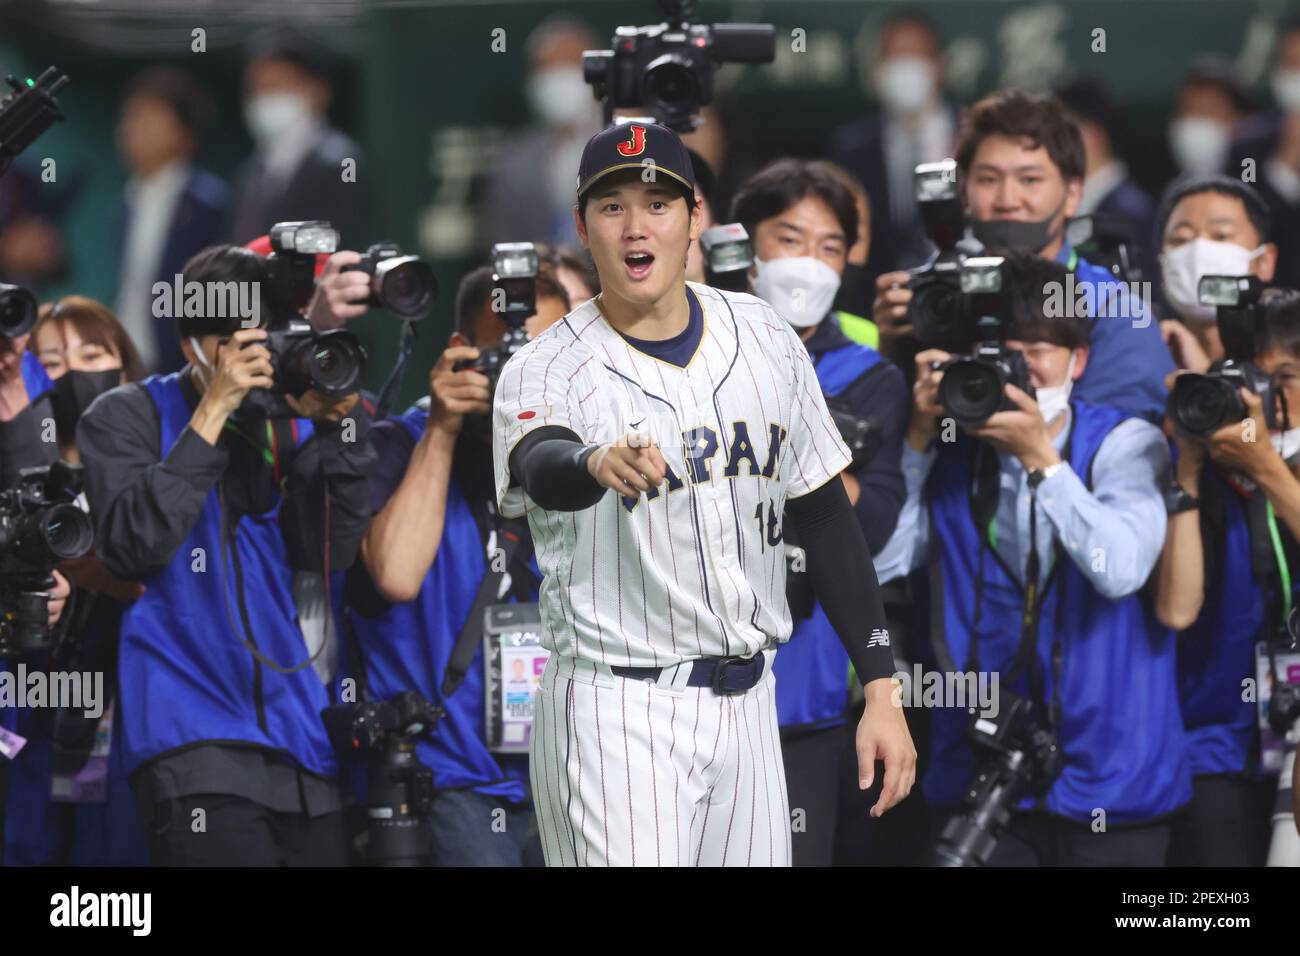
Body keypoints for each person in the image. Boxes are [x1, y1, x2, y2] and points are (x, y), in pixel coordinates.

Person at [491, 121, 915, 867]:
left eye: (656, 203)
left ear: (695, 218)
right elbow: (539, 462)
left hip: (752, 706)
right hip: (615, 705)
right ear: (583, 226)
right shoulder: (546, 366)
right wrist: (591, 461)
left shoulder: (765, 336)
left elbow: (822, 513)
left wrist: (880, 685)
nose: (635, 225)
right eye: (611, 206)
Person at [876, 252, 1189, 866]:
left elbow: (1119, 567)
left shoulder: (1126, 442)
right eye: (1005, 354)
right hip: (981, 767)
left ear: (1079, 360)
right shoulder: (950, 449)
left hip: (1111, 776)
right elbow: (884, 565)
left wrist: (1041, 460)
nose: (1020, 372)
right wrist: (916, 438)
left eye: (1039, 353)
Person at [76, 244, 375, 866]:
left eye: (261, 339)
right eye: (232, 342)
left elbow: (334, 551)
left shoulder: (289, 418)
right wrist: (213, 409)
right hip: (193, 740)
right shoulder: (125, 415)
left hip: (301, 739)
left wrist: (334, 431)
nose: (253, 357)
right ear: (191, 342)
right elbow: (133, 549)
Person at [344, 264, 572, 866]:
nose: (528, 373)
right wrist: (444, 429)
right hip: (452, 780)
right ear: (460, 351)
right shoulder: (398, 444)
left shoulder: (583, 457)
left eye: (551, 353)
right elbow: (394, 573)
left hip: (573, 779)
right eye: (508, 354)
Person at [730, 157, 909, 865]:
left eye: (829, 247)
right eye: (789, 238)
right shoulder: (689, 345)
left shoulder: (869, 372)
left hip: (803, 697)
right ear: (744, 245)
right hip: (682, 698)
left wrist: (794, 421)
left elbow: (867, 526)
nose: (808, 262)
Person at [872, 89, 1173, 422]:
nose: (1007, 199)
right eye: (988, 179)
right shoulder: (938, 297)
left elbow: (1122, 453)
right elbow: (890, 445)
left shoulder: (1114, 311)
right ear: (964, 192)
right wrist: (891, 351)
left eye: (1030, 179)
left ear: (1073, 194)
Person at [1155, 288, 1300, 866]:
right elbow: (1176, 609)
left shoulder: (1268, 469)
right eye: (1253, 381)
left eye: (1285, 377)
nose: (1263, 398)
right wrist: (1188, 470)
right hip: (1216, 740)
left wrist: (1269, 468)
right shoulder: (1214, 480)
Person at [4, 297, 149, 866]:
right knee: (33, 845)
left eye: (93, 353)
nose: (75, 372)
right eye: (54, 361)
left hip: (118, 703)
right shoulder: (14, 464)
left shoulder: (146, 473)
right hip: (31, 705)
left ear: (124, 363)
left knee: (103, 855)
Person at [828, 12, 958, 309]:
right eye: (894, 58)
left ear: (941, 66)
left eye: (916, 57)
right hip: (876, 307)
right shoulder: (851, 148)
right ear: (876, 71)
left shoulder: (971, 136)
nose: (906, 70)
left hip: (959, 306)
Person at [114, 67, 229, 374]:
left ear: (184, 132)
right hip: (130, 360)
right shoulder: (127, 202)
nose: (132, 129)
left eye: (149, 118)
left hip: (183, 365)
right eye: (131, 117)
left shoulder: (208, 204)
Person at [229, 28, 369, 249]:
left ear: (318, 91)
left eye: (278, 86)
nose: (266, 98)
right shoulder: (251, 172)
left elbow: (343, 244)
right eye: (257, 88)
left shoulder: (340, 162)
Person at [484, 17, 602, 246]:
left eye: (570, 64)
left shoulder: (630, 142)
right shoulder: (514, 162)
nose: (559, 78)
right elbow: (505, 242)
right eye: (548, 68)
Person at [1155, 174, 1278, 372]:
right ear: (1161, 263)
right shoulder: (1144, 359)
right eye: (1181, 239)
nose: (1198, 250)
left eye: (1221, 236)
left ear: (1264, 261)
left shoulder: (1286, 363)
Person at [1054, 76, 1157, 283]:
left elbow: (1143, 294)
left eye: (1059, 135)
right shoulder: (1073, 203)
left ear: (1094, 134)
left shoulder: (1130, 211)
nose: (1052, 146)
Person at [1169, 57, 1250, 178]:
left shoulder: (1250, 167)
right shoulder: (1158, 181)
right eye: (1189, 111)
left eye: (1209, 111)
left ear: (1239, 118)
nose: (1197, 123)